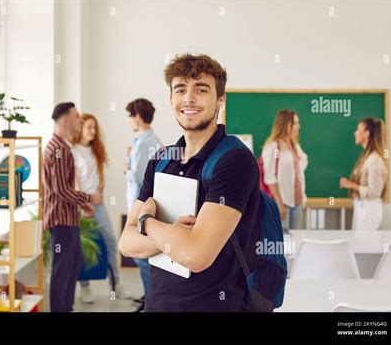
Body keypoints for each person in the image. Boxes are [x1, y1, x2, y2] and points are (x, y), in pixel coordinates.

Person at [118, 53, 262, 312]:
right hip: (158, 304)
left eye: (201, 89)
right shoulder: (161, 159)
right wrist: (173, 235)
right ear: (171, 99)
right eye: (180, 89)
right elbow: (126, 244)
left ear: (221, 100)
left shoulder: (234, 161)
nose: (189, 98)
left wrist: (147, 222)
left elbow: (196, 256)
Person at [43, 102, 103, 312]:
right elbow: (61, 190)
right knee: (62, 270)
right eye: (77, 117)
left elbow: (63, 189)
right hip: (61, 220)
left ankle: (65, 308)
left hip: (67, 218)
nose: (80, 120)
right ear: (65, 120)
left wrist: (83, 204)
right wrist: (90, 198)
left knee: (73, 264)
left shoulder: (61, 147)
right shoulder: (59, 150)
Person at [72, 113, 132, 302]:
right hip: (81, 205)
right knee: (84, 247)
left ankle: (116, 286)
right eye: (89, 127)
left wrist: (102, 185)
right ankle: (85, 288)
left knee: (111, 242)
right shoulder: (73, 151)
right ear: (80, 128)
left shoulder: (95, 149)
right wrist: (83, 203)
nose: (93, 131)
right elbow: (74, 182)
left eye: (94, 127)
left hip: (98, 204)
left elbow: (99, 171)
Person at [124, 98, 162, 311]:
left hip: (139, 206)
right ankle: (149, 296)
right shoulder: (147, 140)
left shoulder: (146, 141)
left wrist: (126, 164)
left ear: (137, 116)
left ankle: (151, 299)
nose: (130, 120)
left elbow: (138, 176)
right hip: (140, 205)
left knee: (142, 257)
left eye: (130, 116)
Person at [261, 110, 308, 230]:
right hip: (282, 203)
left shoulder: (294, 146)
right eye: (295, 123)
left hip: (297, 202)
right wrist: (279, 204)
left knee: (296, 240)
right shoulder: (273, 148)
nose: (299, 126)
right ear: (285, 124)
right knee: (283, 242)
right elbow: (270, 178)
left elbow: (300, 167)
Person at [340, 118, 388, 230]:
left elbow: (375, 192)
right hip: (363, 208)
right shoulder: (366, 157)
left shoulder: (374, 160)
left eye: (358, 129)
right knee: (360, 245)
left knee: (365, 246)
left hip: (369, 210)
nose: (355, 133)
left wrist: (350, 185)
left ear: (366, 134)